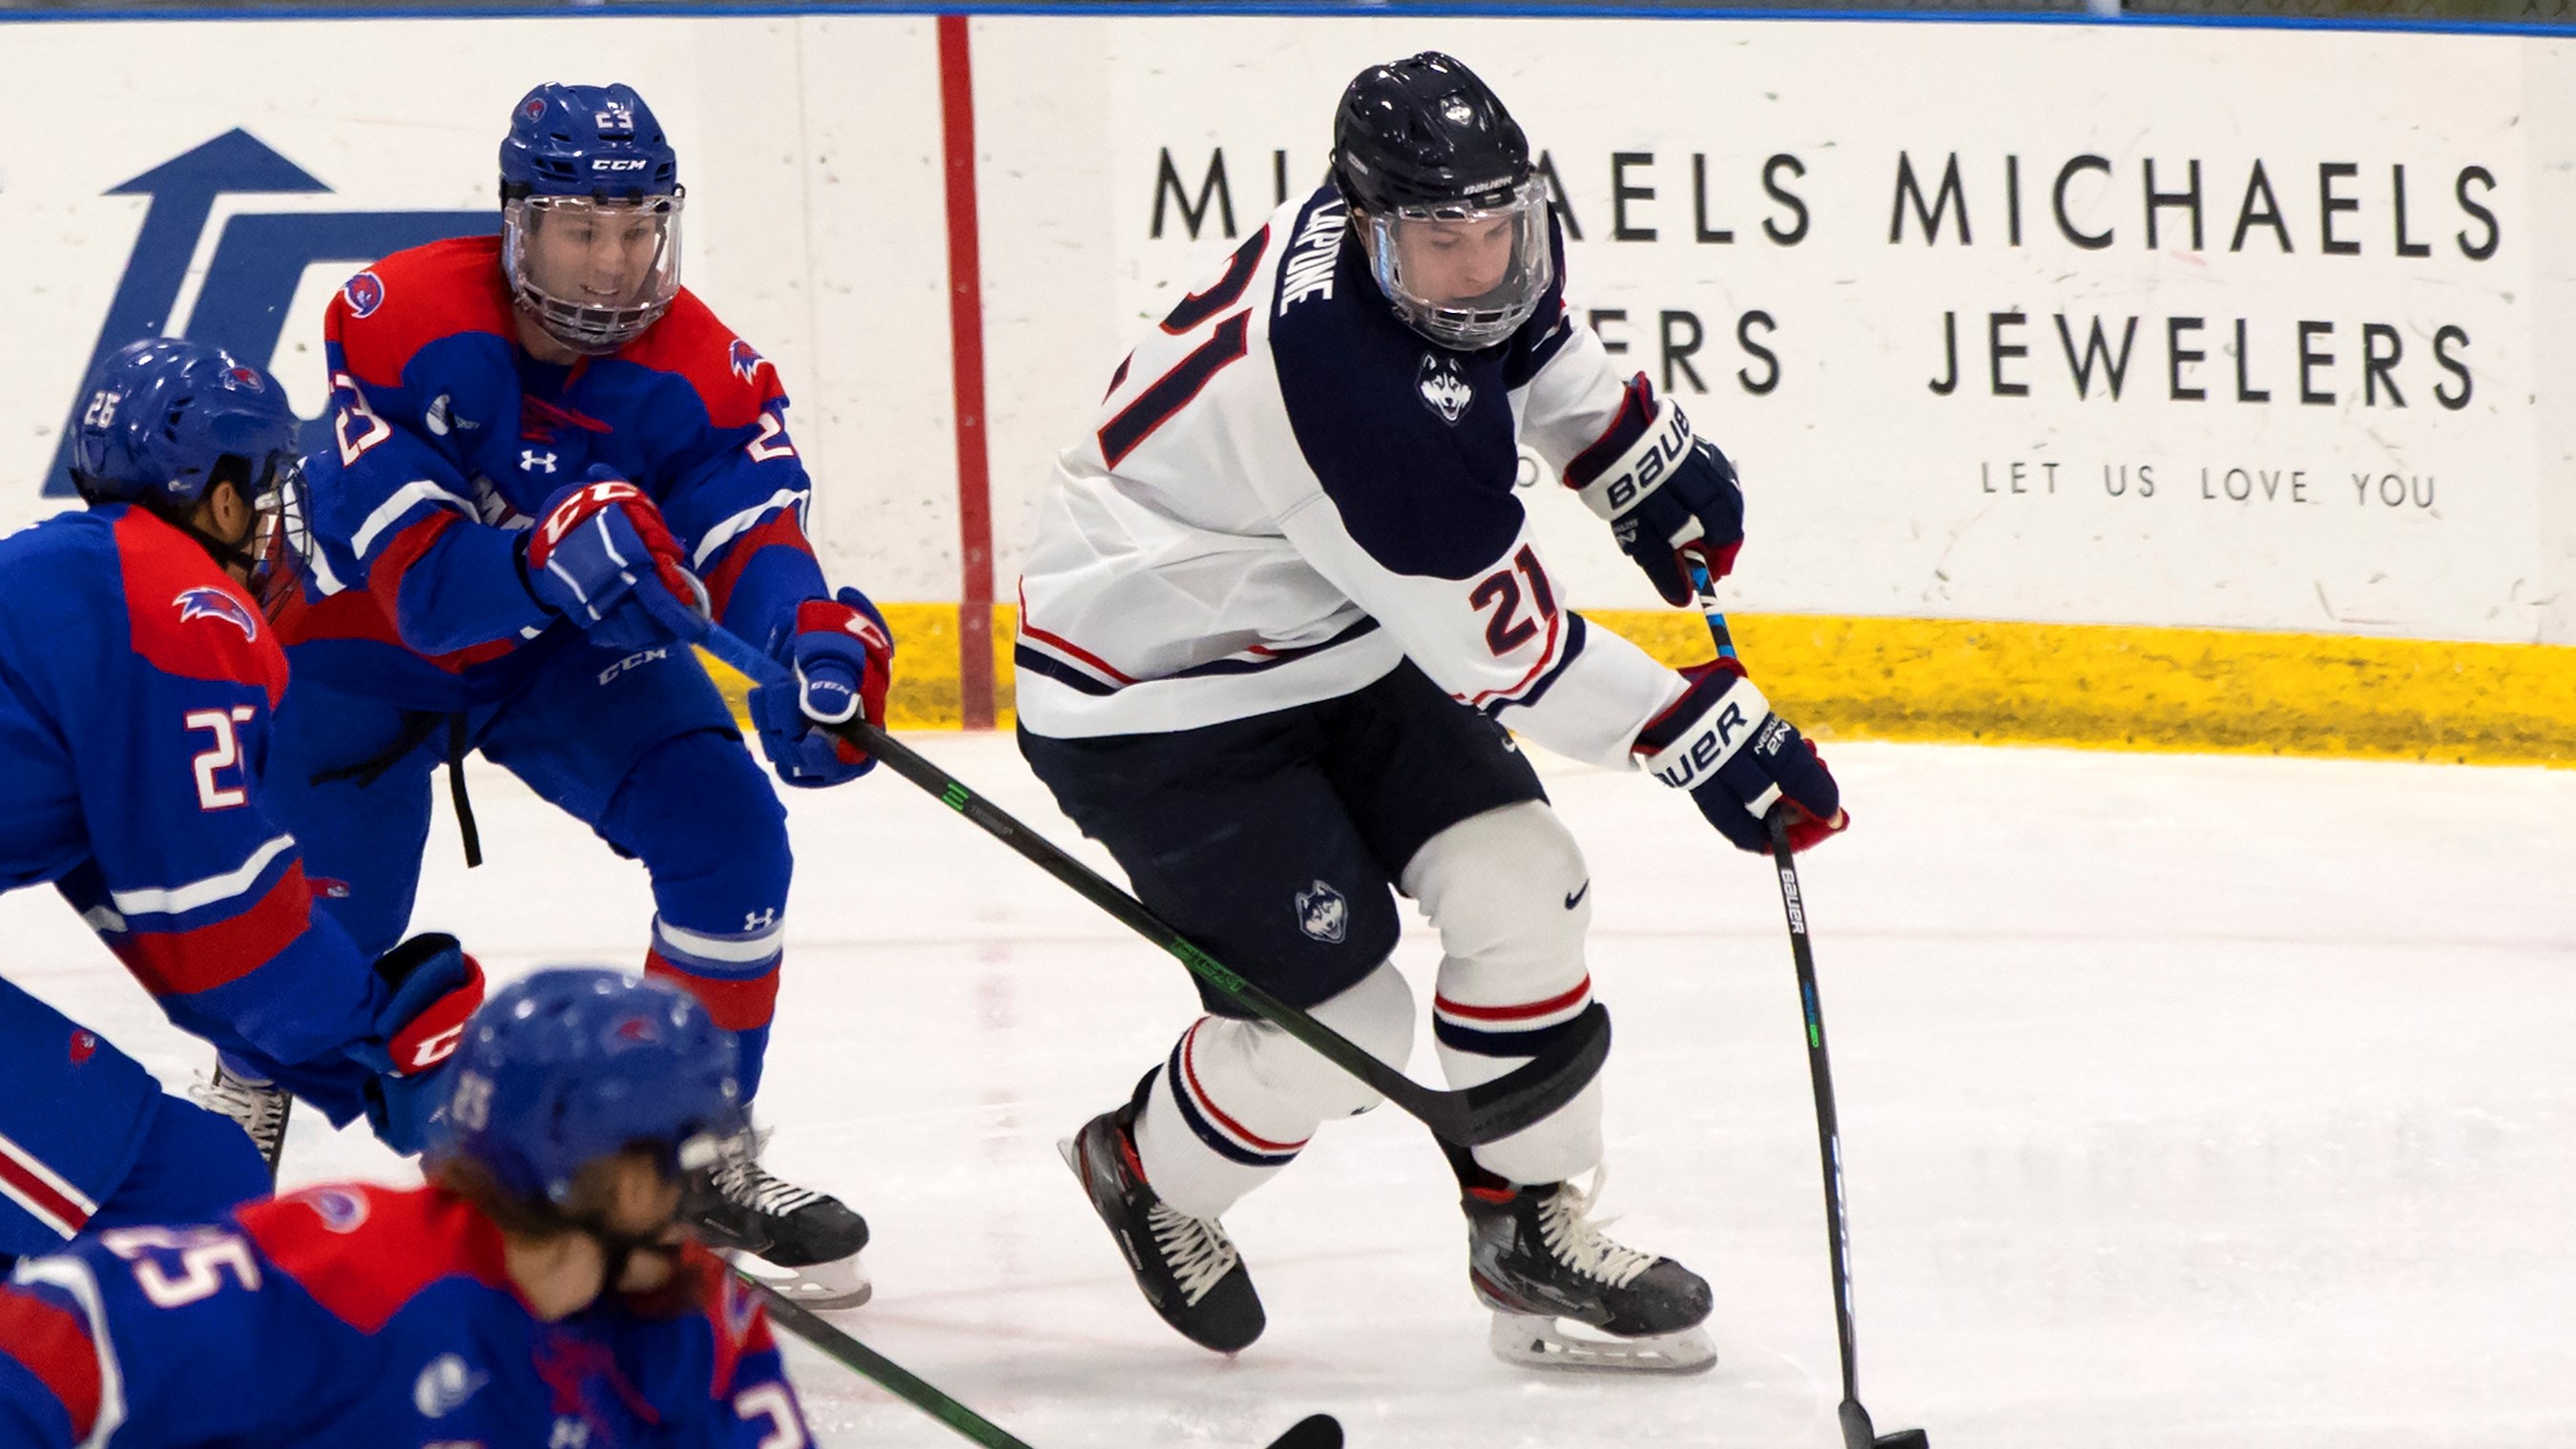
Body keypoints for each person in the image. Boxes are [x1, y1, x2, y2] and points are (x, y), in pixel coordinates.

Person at [1019, 52, 1847, 1373]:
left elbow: (1535, 341)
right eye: (1442, 243)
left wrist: (1634, 450)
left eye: (1496, 229)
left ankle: (1528, 1224)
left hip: (1334, 628)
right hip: (1157, 699)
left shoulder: (1440, 231)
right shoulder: (1345, 395)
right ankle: (1149, 1165)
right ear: (1368, 226)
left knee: (1529, 879)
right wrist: (1709, 736)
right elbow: (1512, 651)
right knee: (1345, 1035)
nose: (1478, 266)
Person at [261, 82, 888, 1304]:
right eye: (580, 229)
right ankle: (252, 1080)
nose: (613, 265)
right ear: (515, 223)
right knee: (320, 955)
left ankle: (687, 1156)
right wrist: (543, 556)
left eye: (638, 227)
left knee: (733, 841)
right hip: (360, 653)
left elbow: (751, 535)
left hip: (559, 653)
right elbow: (429, 595)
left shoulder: (703, 367)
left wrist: (804, 642)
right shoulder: (397, 319)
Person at [0, 338, 484, 1273]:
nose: (271, 524)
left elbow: (166, 924)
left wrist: (363, 1058)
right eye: (261, 490)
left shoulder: (79, 583)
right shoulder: (181, 608)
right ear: (218, 496)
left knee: (190, 1177)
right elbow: (219, 917)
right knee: (177, 1199)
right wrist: (379, 1033)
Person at [0, 966, 818, 1448]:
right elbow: (48, 1340)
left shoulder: (698, 1320)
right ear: (607, 1176)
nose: (703, 1194)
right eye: (688, 1156)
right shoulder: (345, 1277)